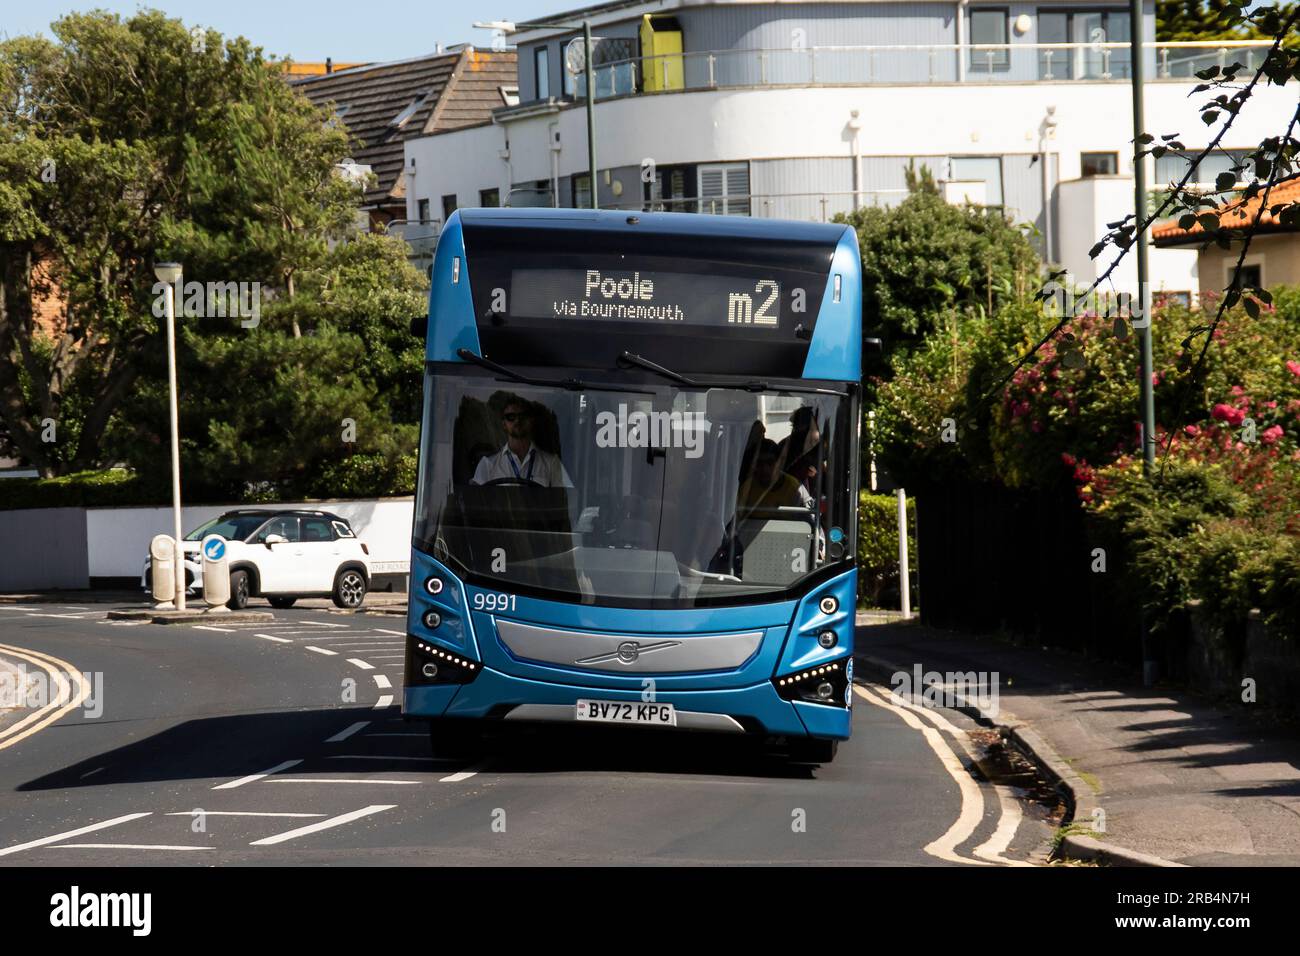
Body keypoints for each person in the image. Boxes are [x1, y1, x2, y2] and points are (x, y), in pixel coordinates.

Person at [471, 395, 573, 488]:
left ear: (531, 420)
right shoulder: (487, 465)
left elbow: (567, 500)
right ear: (504, 424)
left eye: (523, 415)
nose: (517, 421)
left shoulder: (551, 463)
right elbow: (476, 502)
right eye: (511, 417)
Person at [736, 439, 813, 512]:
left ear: (780, 463)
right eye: (759, 463)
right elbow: (737, 519)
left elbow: (810, 516)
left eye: (770, 463)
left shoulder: (795, 489)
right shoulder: (747, 488)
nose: (764, 469)